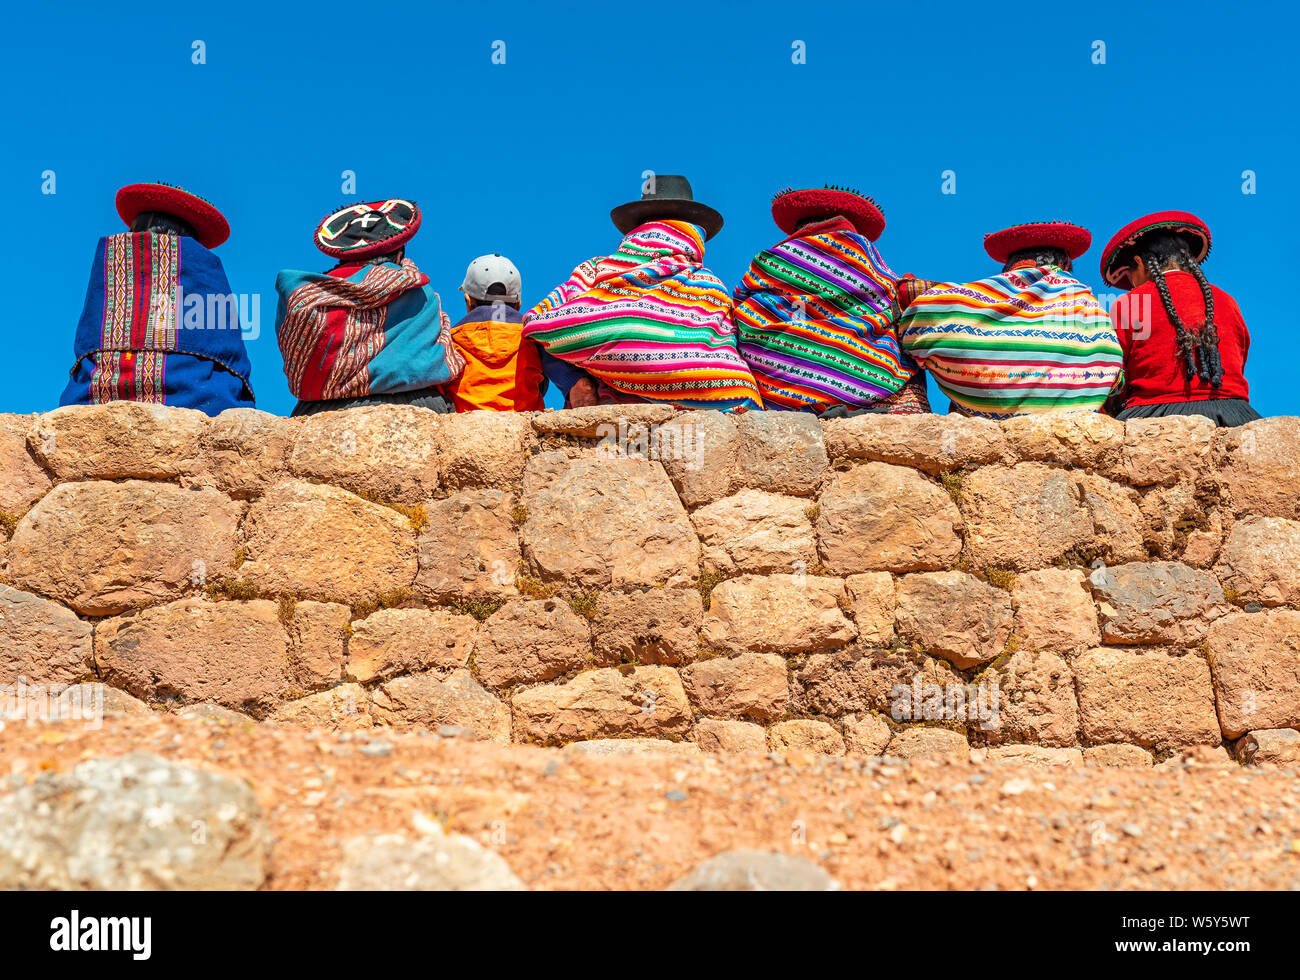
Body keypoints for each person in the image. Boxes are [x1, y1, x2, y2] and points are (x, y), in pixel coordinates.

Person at [523, 175, 762, 410]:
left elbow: (539, 322)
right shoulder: (710, 285)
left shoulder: (596, 270)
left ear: (638, 229)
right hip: (719, 399)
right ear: (693, 232)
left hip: (611, 407)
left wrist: (572, 382)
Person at [59, 183, 255, 415]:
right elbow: (227, 354)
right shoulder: (207, 273)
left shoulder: (110, 265)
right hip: (200, 397)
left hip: (94, 401)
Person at [732, 185, 929, 415]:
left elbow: (742, 309)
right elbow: (898, 298)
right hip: (878, 393)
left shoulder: (771, 265)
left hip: (786, 406)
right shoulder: (870, 265)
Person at [898, 221, 1124, 418]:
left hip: (982, 425)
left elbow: (918, 313)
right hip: (1072, 422)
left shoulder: (973, 301)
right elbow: (1114, 375)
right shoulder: (1084, 303)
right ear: (1065, 266)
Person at [274, 199, 463, 417]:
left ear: (342, 253)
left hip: (320, 410)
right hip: (416, 405)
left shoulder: (303, 296)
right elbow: (439, 354)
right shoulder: (420, 292)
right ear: (399, 254)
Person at [1098, 210, 1260, 426]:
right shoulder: (1228, 301)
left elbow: (1115, 378)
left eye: (1130, 276)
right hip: (1233, 415)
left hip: (1155, 414)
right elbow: (1237, 362)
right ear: (1188, 259)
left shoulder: (1129, 303)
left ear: (1140, 262)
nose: (1133, 285)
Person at [445, 253, 546, 411]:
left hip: (465, 422)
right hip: (522, 420)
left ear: (468, 301)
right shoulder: (534, 337)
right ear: (518, 305)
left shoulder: (450, 339)